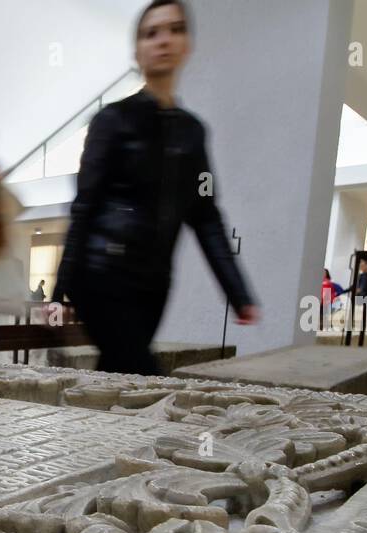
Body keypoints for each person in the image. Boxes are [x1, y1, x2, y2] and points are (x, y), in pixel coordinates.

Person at [54, 0, 257, 375]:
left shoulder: (192, 132)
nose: (163, 40)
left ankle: (92, 432)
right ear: (137, 51)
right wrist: (60, 287)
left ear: (187, 45)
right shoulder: (112, 120)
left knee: (119, 375)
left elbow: (206, 216)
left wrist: (238, 292)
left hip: (154, 284)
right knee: (140, 372)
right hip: (100, 274)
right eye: (151, 33)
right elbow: (84, 204)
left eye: (175, 29)